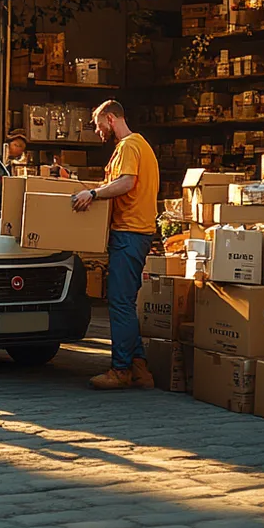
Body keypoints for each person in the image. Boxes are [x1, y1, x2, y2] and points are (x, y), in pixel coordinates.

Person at [72, 100, 160, 390]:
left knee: (120, 303)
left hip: (130, 233)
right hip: (135, 233)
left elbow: (126, 182)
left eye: (99, 126)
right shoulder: (139, 145)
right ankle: (139, 368)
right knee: (124, 303)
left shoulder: (129, 146)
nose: (98, 132)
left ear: (111, 119)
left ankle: (121, 370)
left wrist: (93, 194)